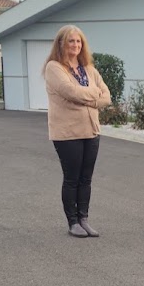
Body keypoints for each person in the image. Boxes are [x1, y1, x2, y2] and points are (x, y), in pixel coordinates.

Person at [43, 25, 112, 238]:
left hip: (91, 131)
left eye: (78, 41)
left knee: (86, 179)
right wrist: (94, 94)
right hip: (67, 133)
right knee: (72, 178)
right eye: (71, 41)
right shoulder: (54, 67)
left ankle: (84, 218)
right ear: (61, 43)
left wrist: (88, 96)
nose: (75, 45)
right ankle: (72, 222)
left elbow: (107, 96)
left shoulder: (88, 69)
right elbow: (70, 92)